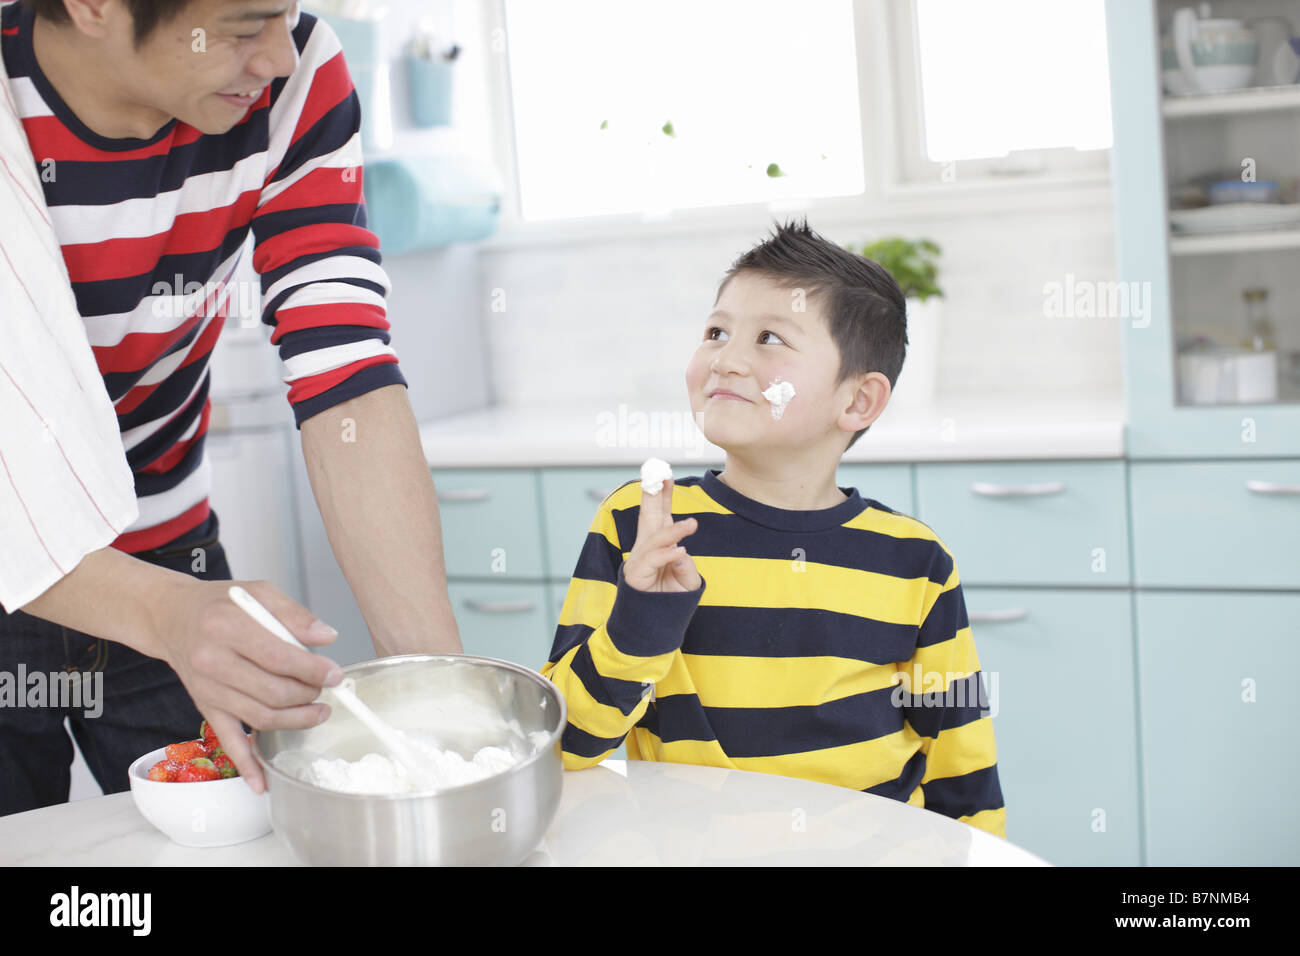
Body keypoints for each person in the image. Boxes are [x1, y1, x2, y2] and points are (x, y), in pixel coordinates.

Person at [0, 0, 460, 812]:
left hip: (169, 557)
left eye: (284, 15)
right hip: (66, 577)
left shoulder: (295, 79)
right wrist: (163, 612)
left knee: (231, 829)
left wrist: (440, 717)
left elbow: (345, 370)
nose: (281, 58)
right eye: (245, 29)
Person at [541, 219, 1006, 838]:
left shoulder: (916, 562)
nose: (726, 359)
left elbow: (961, 760)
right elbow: (566, 745)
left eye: (768, 338)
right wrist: (640, 621)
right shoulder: (643, 524)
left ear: (859, 401)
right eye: (715, 332)